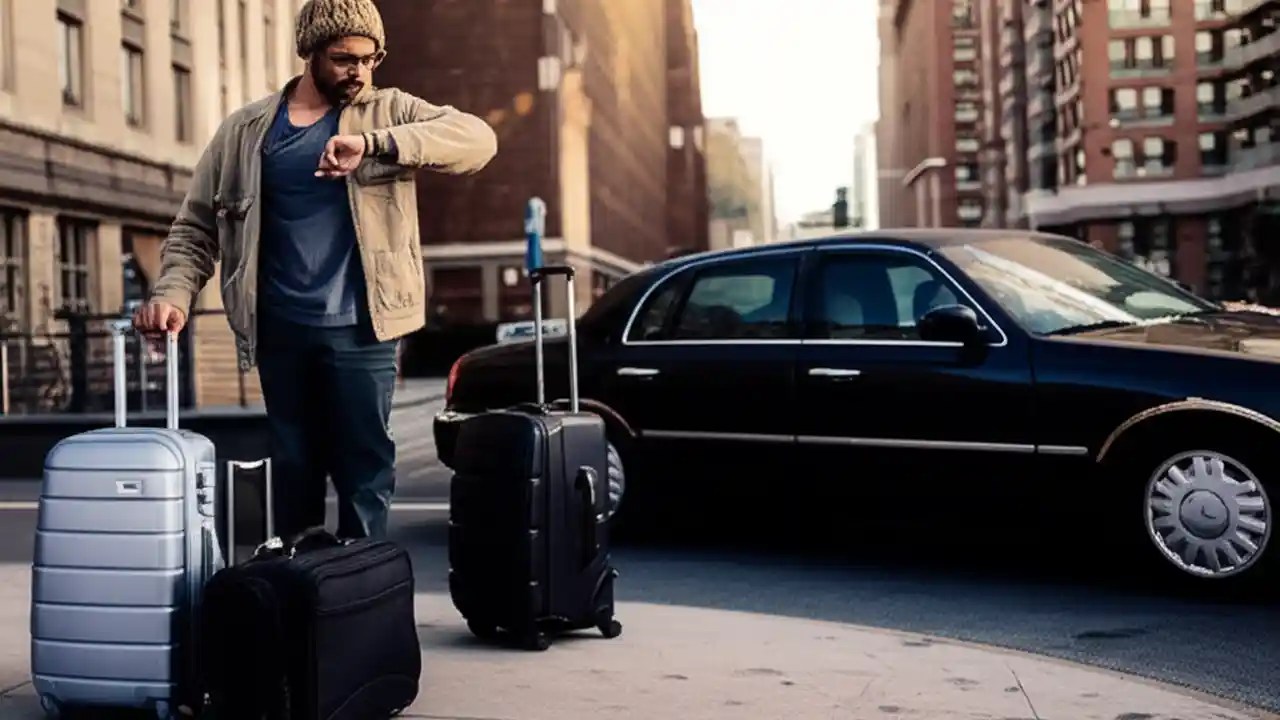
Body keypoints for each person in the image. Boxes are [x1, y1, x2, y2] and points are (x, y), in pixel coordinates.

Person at [132, 0, 498, 541]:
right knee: (293, 470)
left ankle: (358, 596)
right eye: (344, 58)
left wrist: (375, 144)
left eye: (371, 59)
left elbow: (477, 141)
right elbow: (196, 227)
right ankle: (298, 594)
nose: (360, 72)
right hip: (280, 327)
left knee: (364, 471)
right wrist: (173, 295)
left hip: (363, 327)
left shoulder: (390, 110)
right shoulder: (246, 131)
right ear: (309, 53)